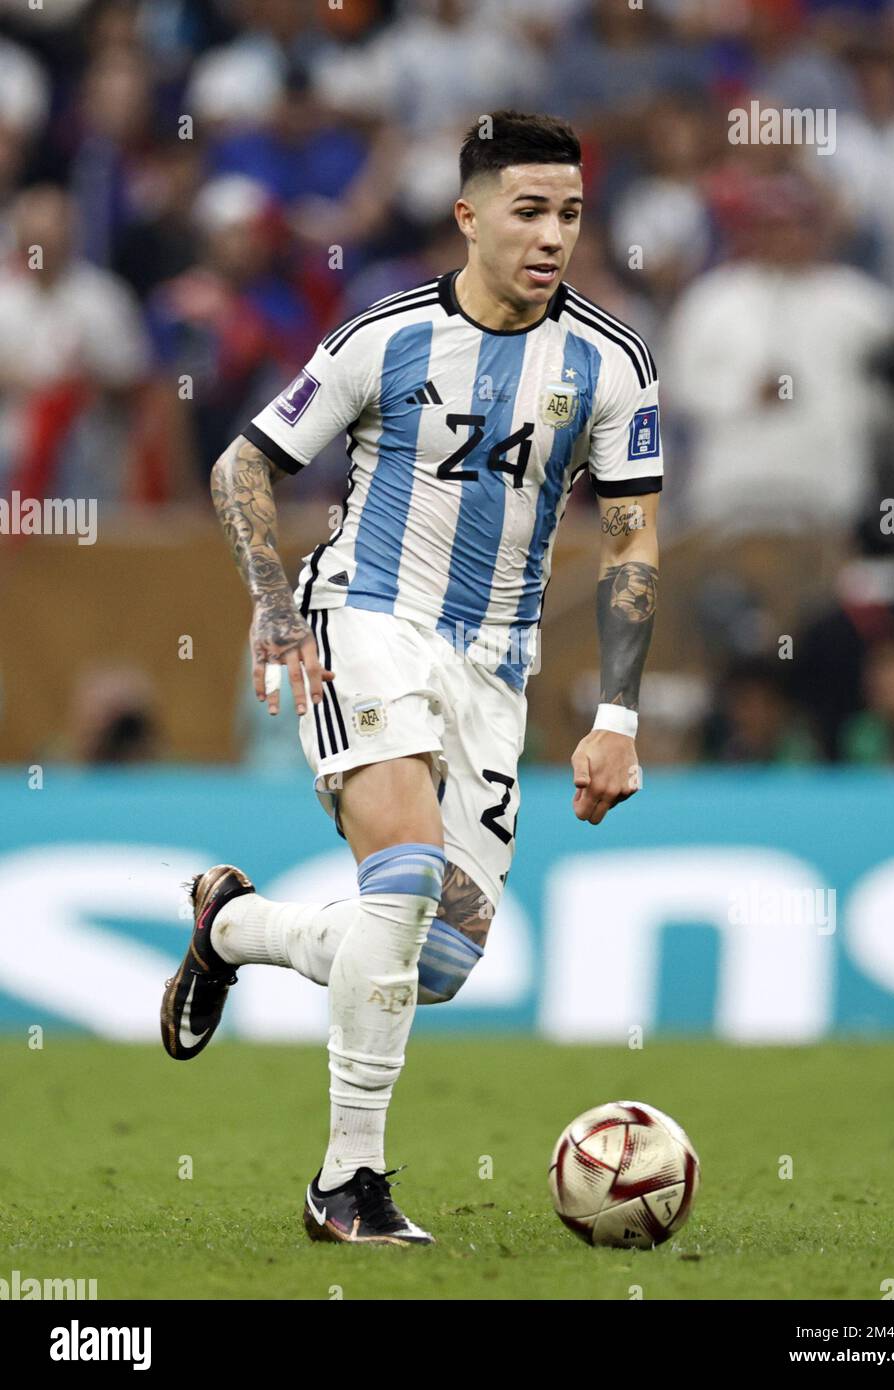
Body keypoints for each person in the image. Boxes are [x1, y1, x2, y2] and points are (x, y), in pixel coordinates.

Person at [160, 111, 663, 1246]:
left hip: (496, 662)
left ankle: (229, 927)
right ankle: (347, 1184)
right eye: (527, 211)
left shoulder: (609, 364)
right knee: (403, 874)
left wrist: (616, 716)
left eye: (569, 215)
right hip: (362, 618)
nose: (550, 237)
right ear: (468, 215)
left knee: (431, 956)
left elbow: (631, 541)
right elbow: (244, 460)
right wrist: (277, 604)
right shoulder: (380, 340)